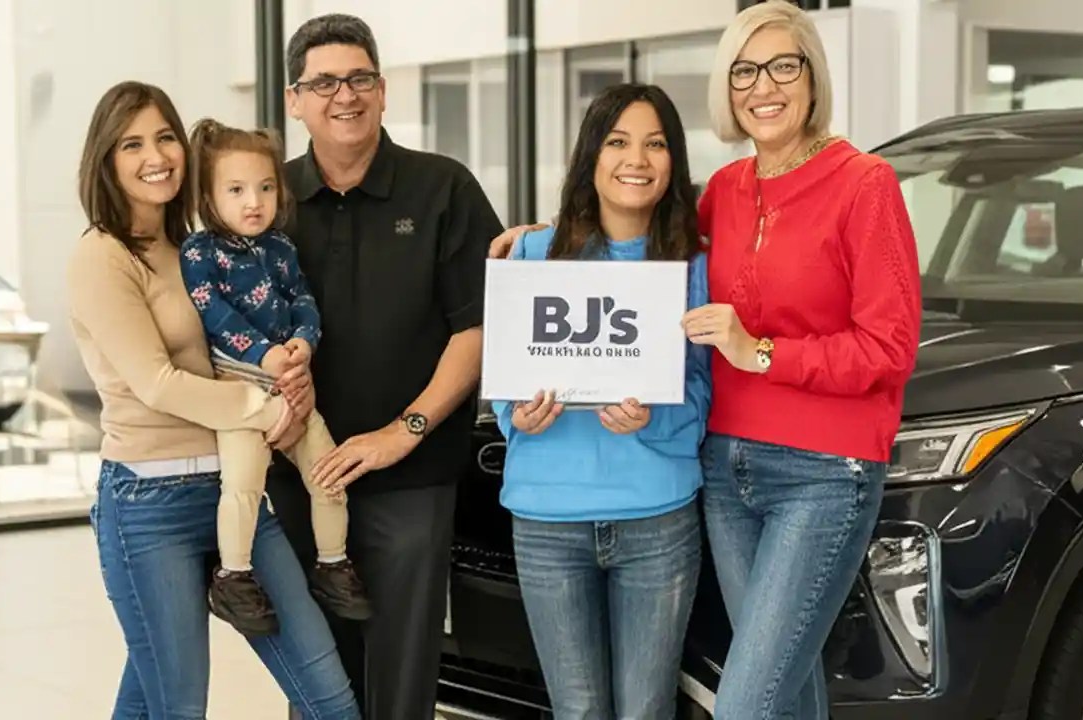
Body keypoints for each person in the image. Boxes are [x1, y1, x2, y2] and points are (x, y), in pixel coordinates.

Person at [67, 80, 359, 718]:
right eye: (133, 143)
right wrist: (268, 412)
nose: (156, 155)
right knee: (176, 706)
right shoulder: (102, 257)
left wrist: (292, 377)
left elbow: (246, 347)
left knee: (329, 696)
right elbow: (157, 384)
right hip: (151, 505)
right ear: (106, 160)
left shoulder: (200, 250)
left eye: (166, 137)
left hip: (235, 491)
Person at [681, 2, 922, 718]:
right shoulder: (726, 191)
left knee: (746, 703)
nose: (765, 86)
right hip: (726, 469)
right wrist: (547, 243)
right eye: (745, 71)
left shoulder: (864, 184)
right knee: (786, 696)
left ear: (812, 78)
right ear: (728, 88)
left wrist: (757, 351)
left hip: (824, 472)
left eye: (784, 66)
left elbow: (889, 349)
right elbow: (648, 252)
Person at [265, 14, 503, 719]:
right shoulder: (266, 202)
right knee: (317, 683)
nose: (346, 95)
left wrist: (408, 428)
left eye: (360, 77)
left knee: (403, 681)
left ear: (384, 89)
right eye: (325, 81)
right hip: (299, 476)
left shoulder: (442, 189)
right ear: (294, 100)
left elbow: (480, 325)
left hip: (411, 480)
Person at [493, 82, 712, 719]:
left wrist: (657, 416)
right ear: (592, 155)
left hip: (658, 519)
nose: (636, 159)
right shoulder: (532, 253)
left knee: (646, 711)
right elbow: (508, 379)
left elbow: (702, 385)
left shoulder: (694, 263)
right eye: (617, 142)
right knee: (578, 712)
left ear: (673, 163)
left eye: (655, 144)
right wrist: (518, 417)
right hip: (547, 521)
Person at [179, 117, 371, 636]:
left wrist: (303, 344)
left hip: (291, 382)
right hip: (237, 388)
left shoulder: (280, 248)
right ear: (207, 194)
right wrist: (266, 355)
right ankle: (234, 576)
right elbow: (213, 313)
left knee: (329, 473)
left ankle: (333, 562)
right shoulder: (199, 252)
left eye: (265, 188)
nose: (253, 202)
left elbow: (304, 301)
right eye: (236, 190)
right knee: (242, 484)